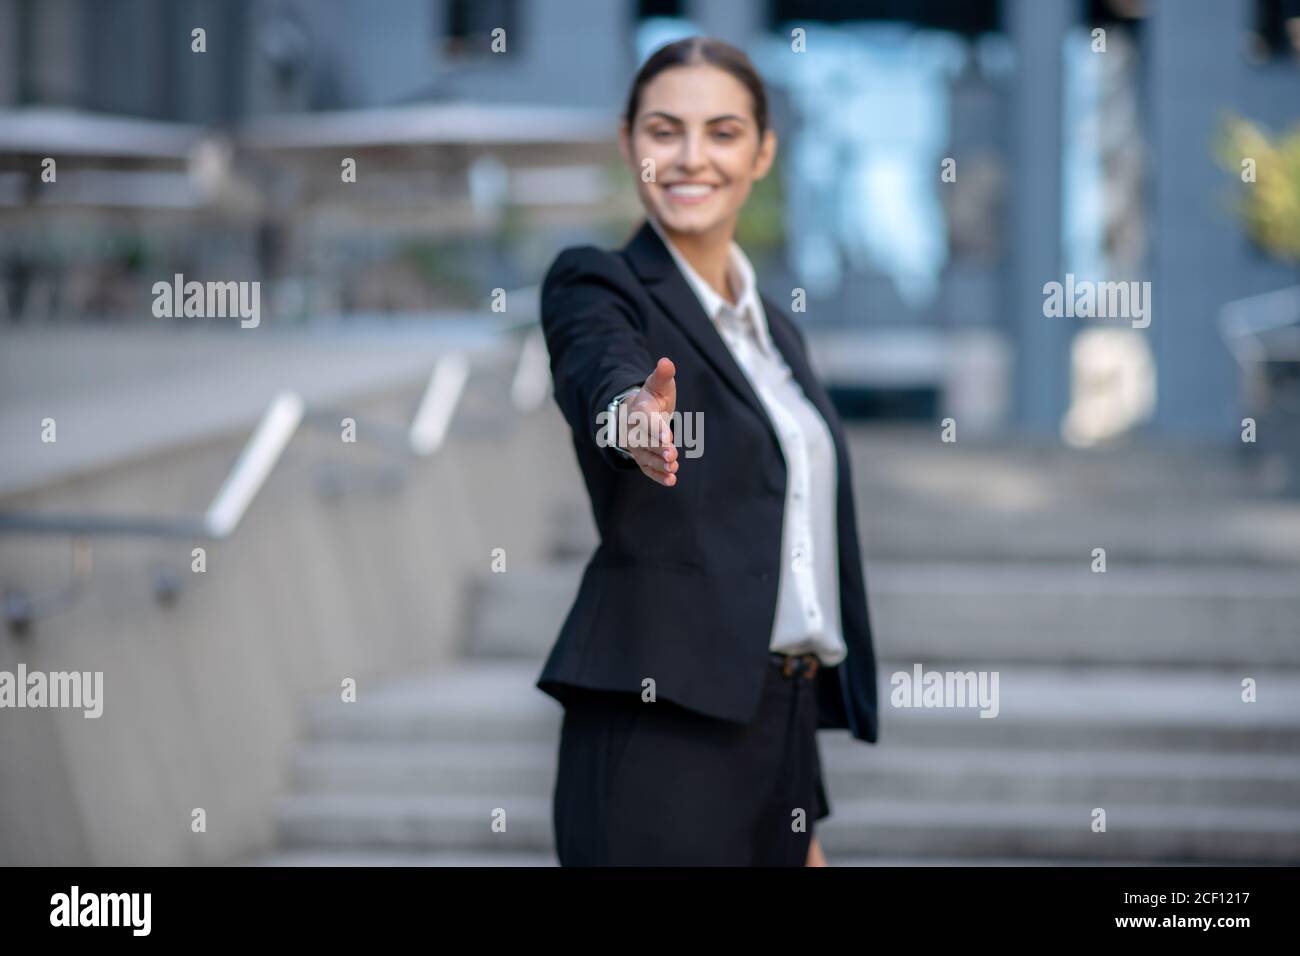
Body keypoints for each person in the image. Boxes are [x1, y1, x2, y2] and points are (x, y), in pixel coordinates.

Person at [536, 35, 879, 866]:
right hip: (662, 734)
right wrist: (631, 417)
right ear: (629, 144)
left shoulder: (778, 336)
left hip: (783, 728)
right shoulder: (600, 283)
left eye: (722, 132)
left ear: (762, 152)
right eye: (665, 130)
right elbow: (597, 365)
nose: (692, 157)